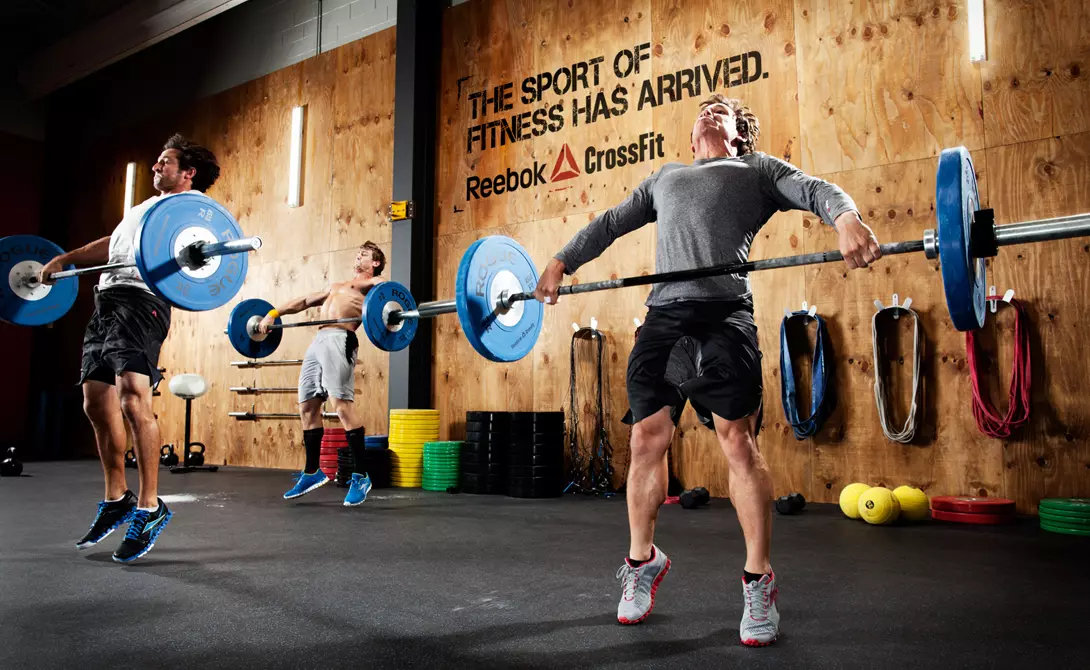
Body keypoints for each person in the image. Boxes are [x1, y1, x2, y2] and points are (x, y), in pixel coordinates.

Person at [533, 94, 881, 646]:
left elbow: (815, 190)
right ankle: (641, 562)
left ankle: (758, 578)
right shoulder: (665, 176)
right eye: (704, 108)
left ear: (739, 132)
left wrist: (846, 219)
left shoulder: (757, 169)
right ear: (691, 139)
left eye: (721, 108)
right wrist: (559, 262)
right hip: (665, 317)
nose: (709, 109)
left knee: (737, 441)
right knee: (647, 437)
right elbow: (610, 223)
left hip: (726, 315)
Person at [39, 134, 221, 563]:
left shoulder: (190, 212)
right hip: (107, 300)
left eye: (164, 162)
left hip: (142, 303)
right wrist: (65, 259)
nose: (156, 167)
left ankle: (150, 506)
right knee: (95, 401)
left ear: (187, 172)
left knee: (133, 400)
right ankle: (117, 497)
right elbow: (115, 244)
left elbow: (205, 255)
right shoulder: (144, 210)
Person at [257, 242, 387, 506]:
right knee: (307, 407)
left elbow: (391, 297)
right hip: (318, 342)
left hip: (341, 338)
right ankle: (312, 472)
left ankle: (361, 475)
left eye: (365, 254)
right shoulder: (336, 286)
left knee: (341, 406)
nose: (358, 256)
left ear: (374, 263)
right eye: (358, 253)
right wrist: (274, 313)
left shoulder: (374, 284)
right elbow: (304, 302)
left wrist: (392, 311)